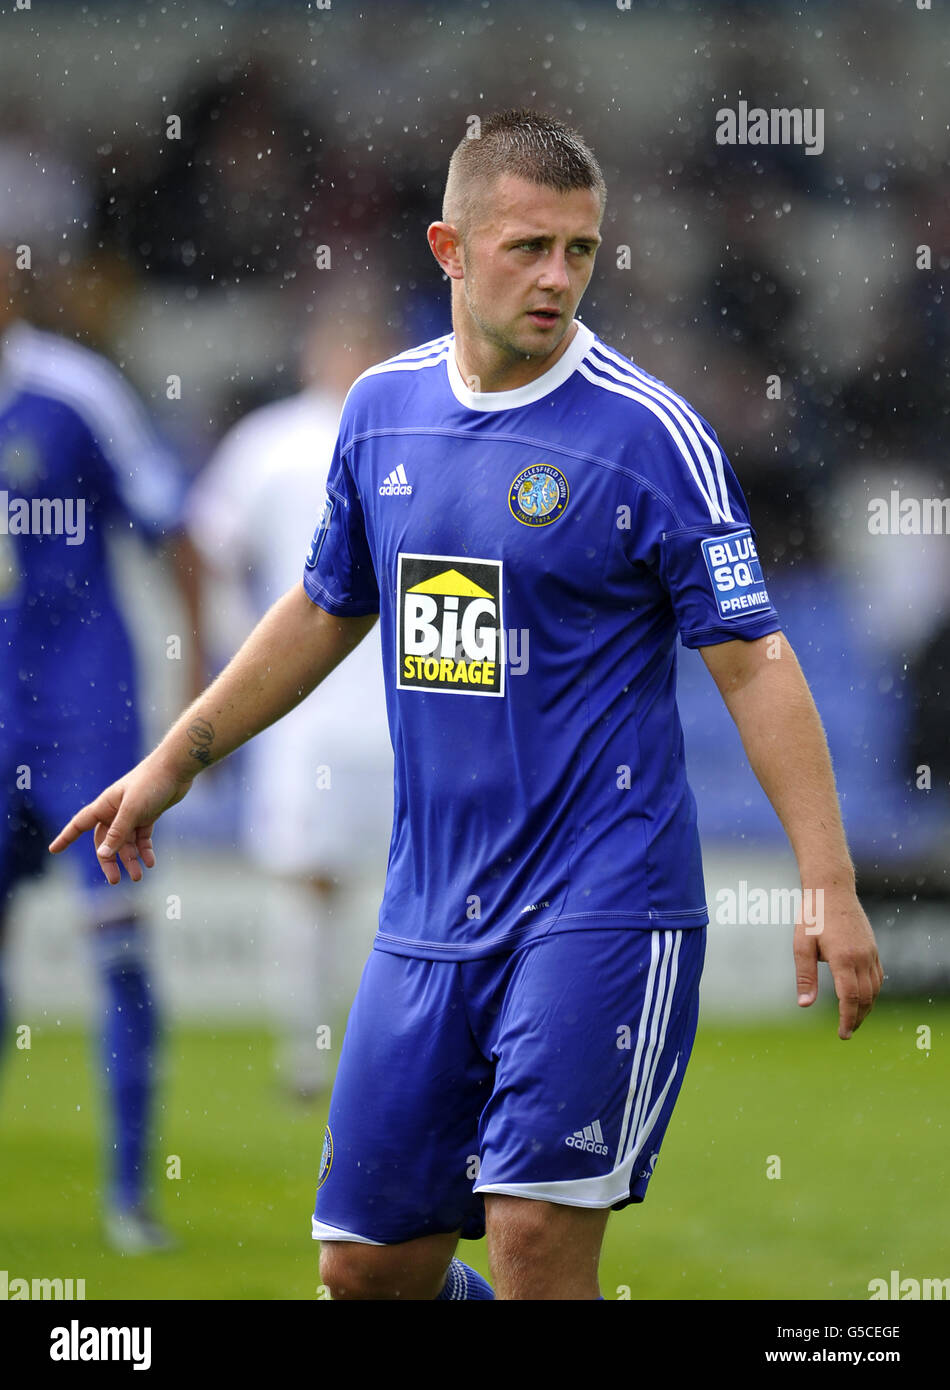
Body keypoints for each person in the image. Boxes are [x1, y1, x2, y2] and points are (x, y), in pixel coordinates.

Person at [50, 109, 883, 1300]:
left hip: (602, 904)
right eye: (527, 247)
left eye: (580, 252)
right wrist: (175, 761)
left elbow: (753, 660)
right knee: (365, 1270)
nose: (557, 278)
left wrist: (827, 879)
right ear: (448, 248)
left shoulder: (647, 435)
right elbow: (327, 605)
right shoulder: (382, 411)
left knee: (534, 1241)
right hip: (429, 906)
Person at [0, 237, 201, 1252]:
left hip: (87, 722)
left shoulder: (78, 394)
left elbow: (176, 524)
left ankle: (130, 1195)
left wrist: (202, 677)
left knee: (116, 953)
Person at [184, 293, 393, 1097]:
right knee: (310, 881)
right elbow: (206, 542)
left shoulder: (420, 430)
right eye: (343, 345)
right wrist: (239, 636)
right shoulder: (270, 442)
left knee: (409, 894)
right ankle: (306, 1060)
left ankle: (385, 1063)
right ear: (316, 354)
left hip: (407, 706)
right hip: (304, 711)